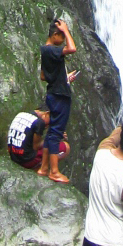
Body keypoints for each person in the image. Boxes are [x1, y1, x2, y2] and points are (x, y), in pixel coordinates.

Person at [39, 16, 78, 183]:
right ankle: (54, 171)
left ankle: (43, 168)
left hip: (54, 92)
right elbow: (72, 49)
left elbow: (43, 76)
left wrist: (64, 78)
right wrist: (67, 30)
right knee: (56, 134)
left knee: (52, 132)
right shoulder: (51, 49)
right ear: (55, 34)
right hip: (60, 96)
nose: (63, 40)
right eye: (61, 36)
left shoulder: (45, 51)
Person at [6, 108, 68, 172]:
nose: (47, 127)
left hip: (14, 157)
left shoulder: (22, 114)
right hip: (26, 161)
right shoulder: (40, 123)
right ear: (47, 113)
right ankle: (41, 169)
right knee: (65, 147)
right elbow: (36, 147)